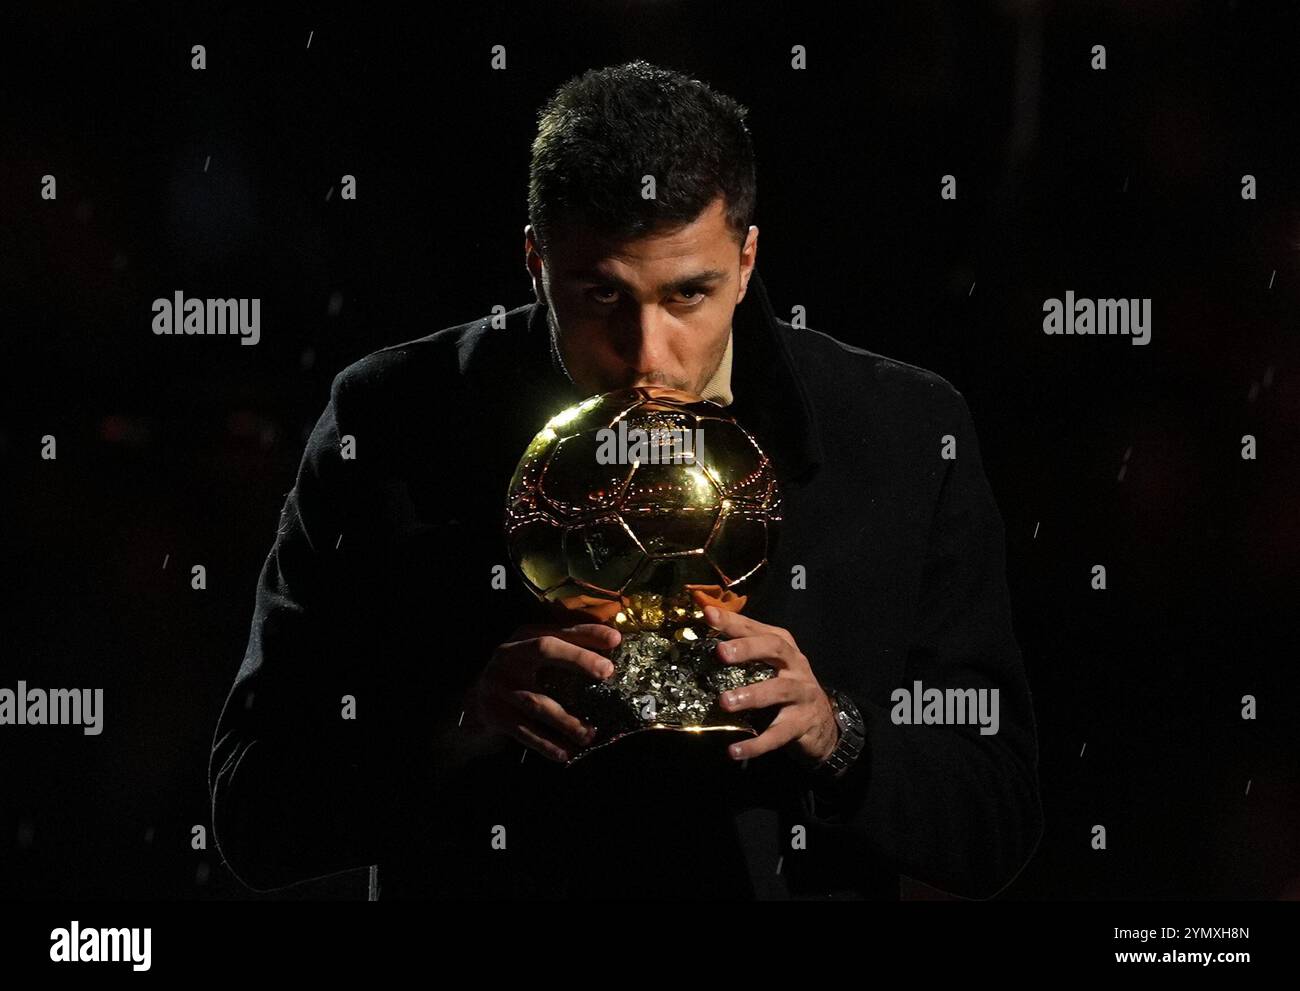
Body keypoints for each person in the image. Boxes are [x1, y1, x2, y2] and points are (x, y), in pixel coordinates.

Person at [209, 59, 1043, 901]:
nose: (648, 353)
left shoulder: (902, 430)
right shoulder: (389, 421)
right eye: (600, 296)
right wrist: (455, 728)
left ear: (748, 259)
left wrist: (839, 734)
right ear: (535, 262)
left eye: (690, 294)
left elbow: (996, 814)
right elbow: (251, 807)